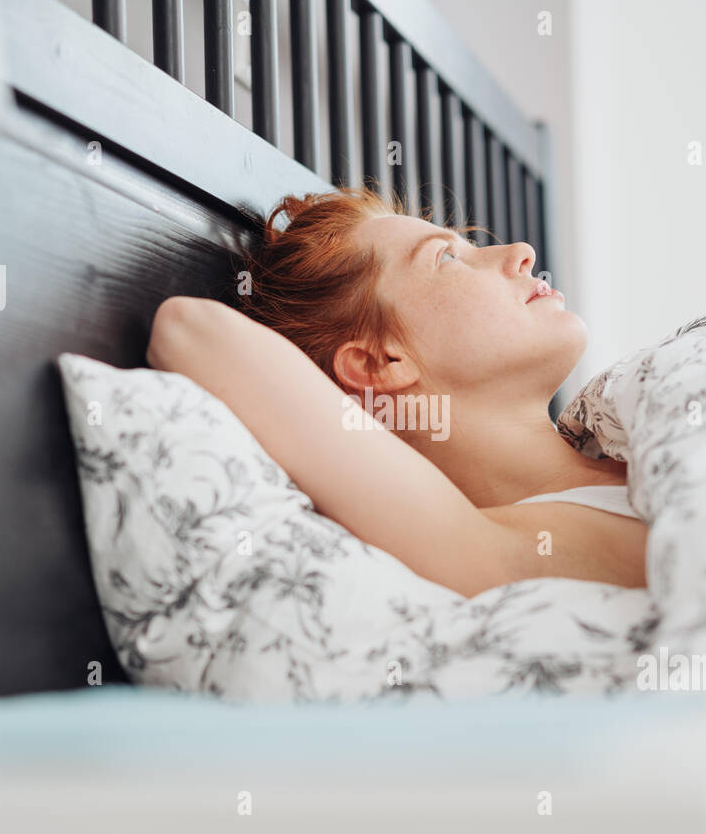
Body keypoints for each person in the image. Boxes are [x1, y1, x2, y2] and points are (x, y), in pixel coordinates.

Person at [147, 187, 647, 597]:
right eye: (448, 257)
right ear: (377, 362)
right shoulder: (499, 547)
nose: (521, 253)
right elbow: (189, 329)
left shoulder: (642, 442)